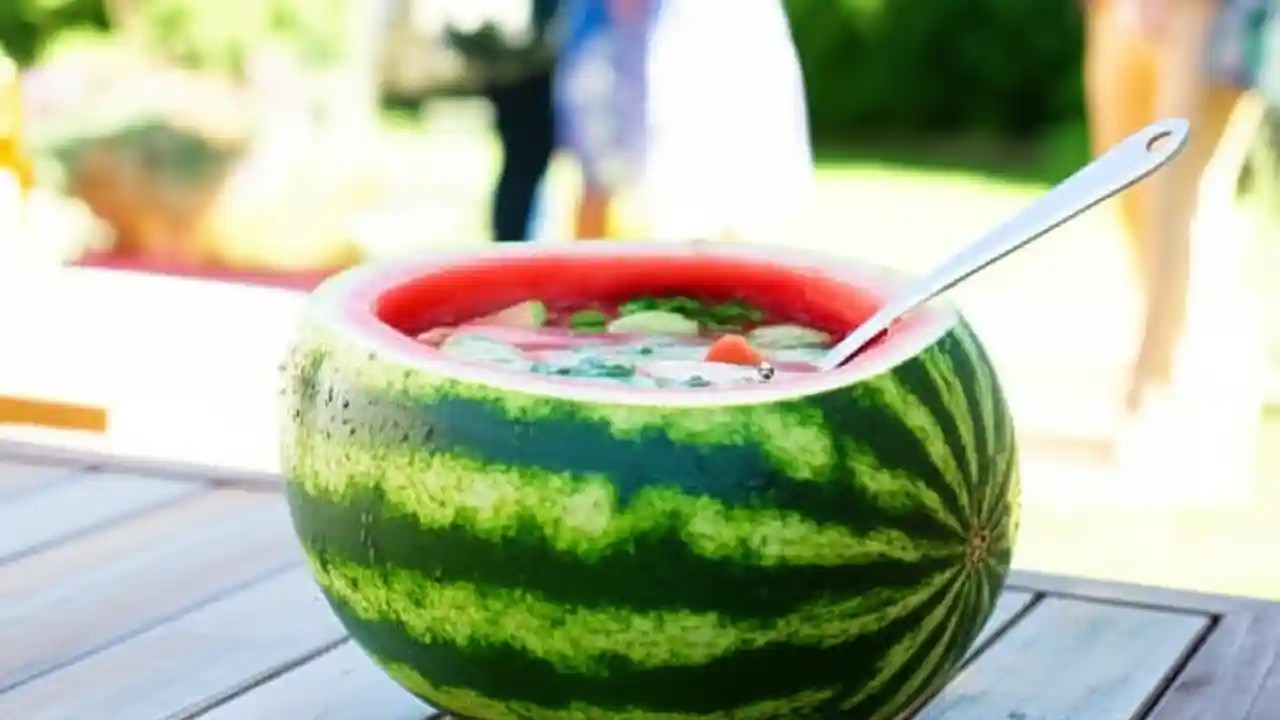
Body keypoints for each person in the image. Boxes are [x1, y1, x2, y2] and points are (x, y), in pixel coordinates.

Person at [1082, 0, 1270, 412]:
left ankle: (1153, 378)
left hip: (1205, 15)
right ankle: (1176, 348)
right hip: (1115, 11)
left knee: (1174, 193)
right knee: (1124, 182)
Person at [449, 0, 564, 242]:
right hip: (518, 59)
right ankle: (512, 243)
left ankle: (513, 240)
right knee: (523, 159)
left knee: (522, 161)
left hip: (513, 57)